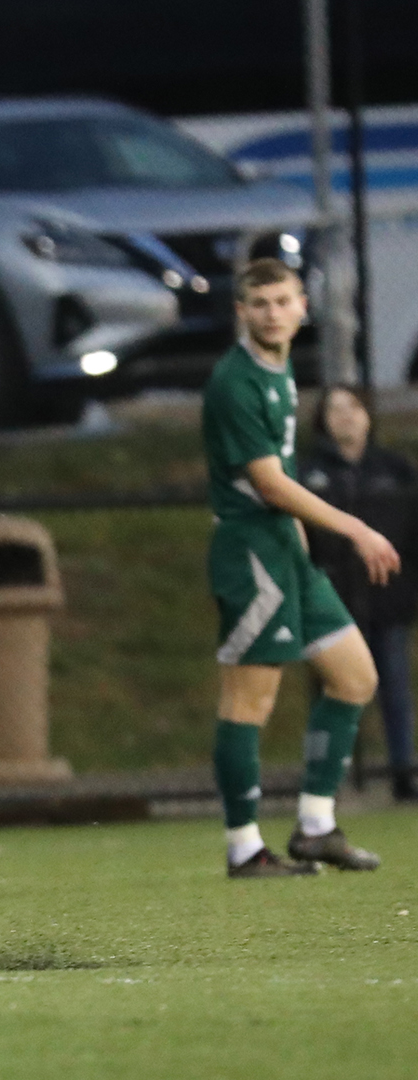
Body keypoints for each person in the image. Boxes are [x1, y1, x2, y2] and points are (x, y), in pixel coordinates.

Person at [199, 258, 394, 877]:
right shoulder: (235, 382)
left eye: (283, 301)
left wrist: (301, 540)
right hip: (252, 554)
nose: (273, 314)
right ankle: (244, 848)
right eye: (260, 304)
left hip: (285, 549)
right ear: (241, 311)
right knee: (248, 699)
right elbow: (269, 483)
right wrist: (355, 527)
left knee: (355, 677)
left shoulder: (278, 370)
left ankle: (315, 827)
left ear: (303, 306)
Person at [301, 385, 418, 802]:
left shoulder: (394, 470)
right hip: (332, 600)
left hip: (386, 598)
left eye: (353, 407)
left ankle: (403, 772)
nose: (345, 416)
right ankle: (327, 780)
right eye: (334, 409)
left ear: (368, 415)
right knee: (334, 691)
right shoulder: (308, 474)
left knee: (394, 689)